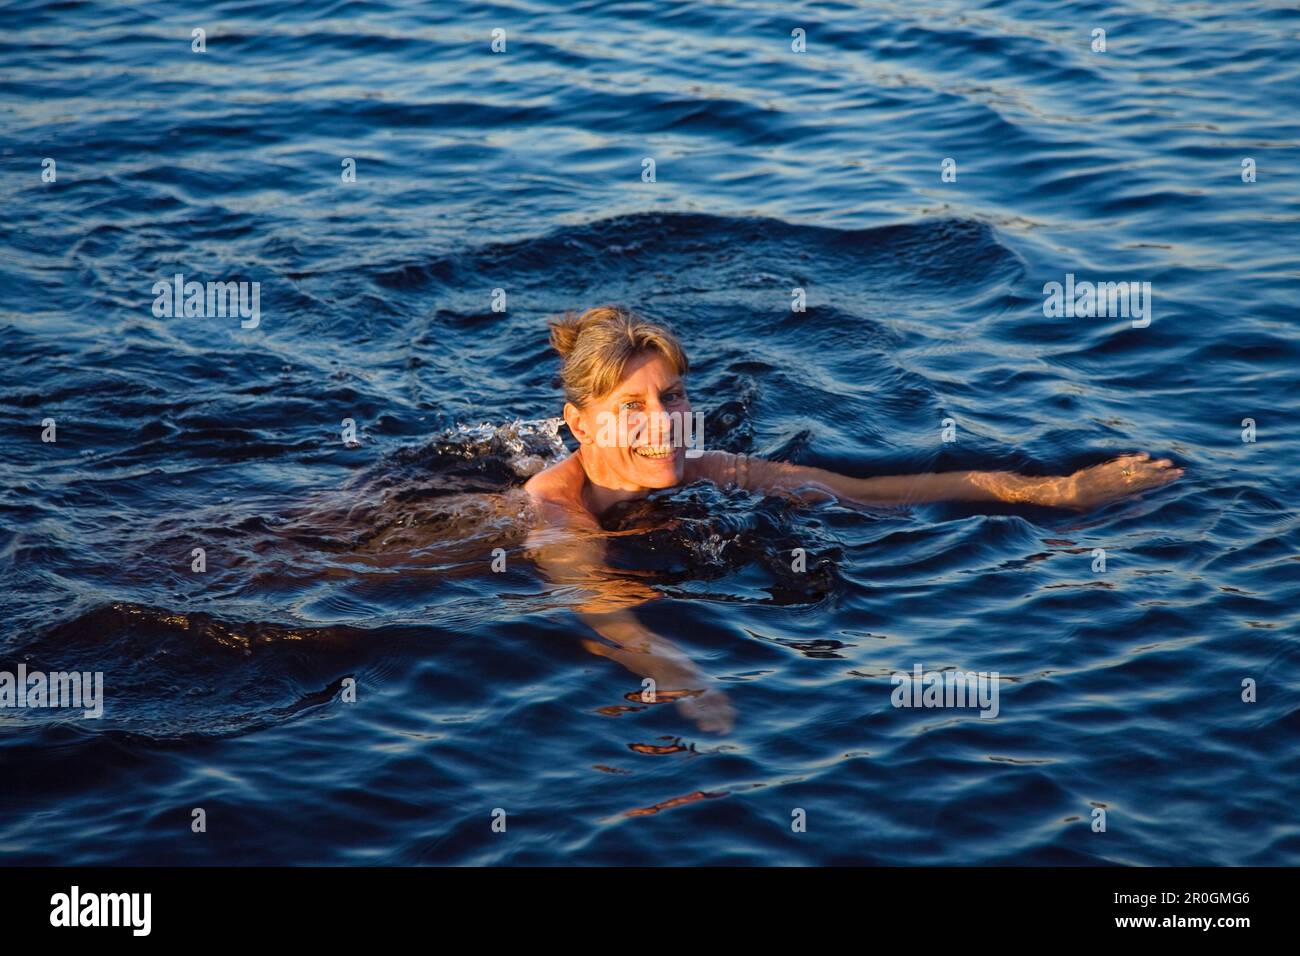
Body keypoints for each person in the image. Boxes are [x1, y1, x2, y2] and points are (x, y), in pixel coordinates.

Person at [524, 305, 1183, 733]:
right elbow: (595, 598)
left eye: (672, 396)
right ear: (580, 423)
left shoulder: (707, 468)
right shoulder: (556, 508)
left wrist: (1054, 492)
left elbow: (871, 492)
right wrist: (677, 672)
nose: (664, 423)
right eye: (632, 407)